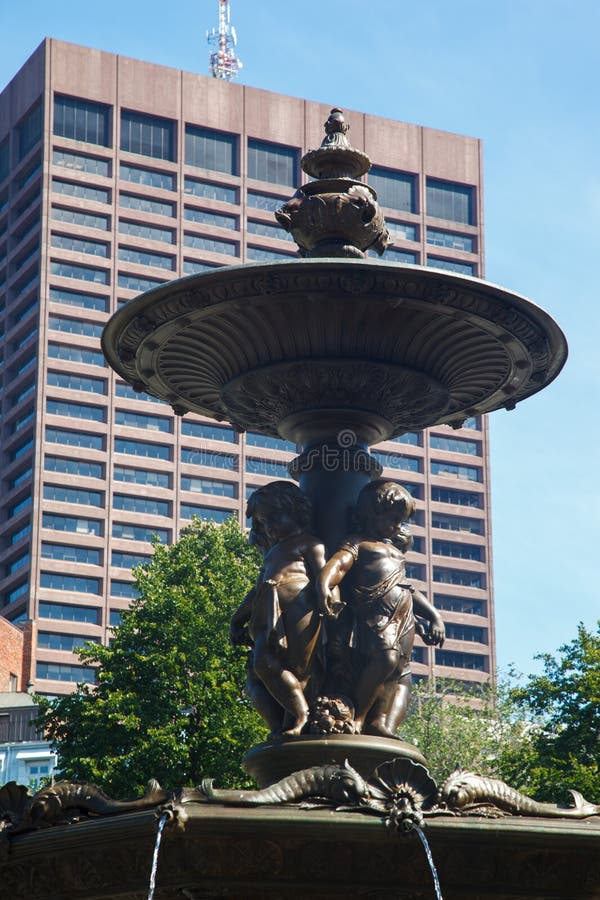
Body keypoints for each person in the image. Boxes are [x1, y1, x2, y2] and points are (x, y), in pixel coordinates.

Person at [317, 479, 445, 738]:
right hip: (377, 616)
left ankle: (381, 723)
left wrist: (434, 616)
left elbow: (408, 588)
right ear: (370, 514)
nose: (397, 526)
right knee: (386, 659)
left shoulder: (395, 550)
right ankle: (358, 717)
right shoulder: (359, 543)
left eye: (401, 521)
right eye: (393, 519)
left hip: (404, 620)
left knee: (401, 675)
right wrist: (324, 585)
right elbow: (338, 565)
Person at [230, 481, 329, 737]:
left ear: (295, 511)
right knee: (262, 663)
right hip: (268, 615)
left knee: (300, 667)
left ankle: (298, 718)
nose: (269, 526)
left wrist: (331, 600)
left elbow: (324, 578)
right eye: (264, 522)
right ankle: (291, 717)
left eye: (274, 517)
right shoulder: (271, 554)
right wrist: (237, 619)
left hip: (301, 610)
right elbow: (256, 591)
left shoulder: (310, 544)